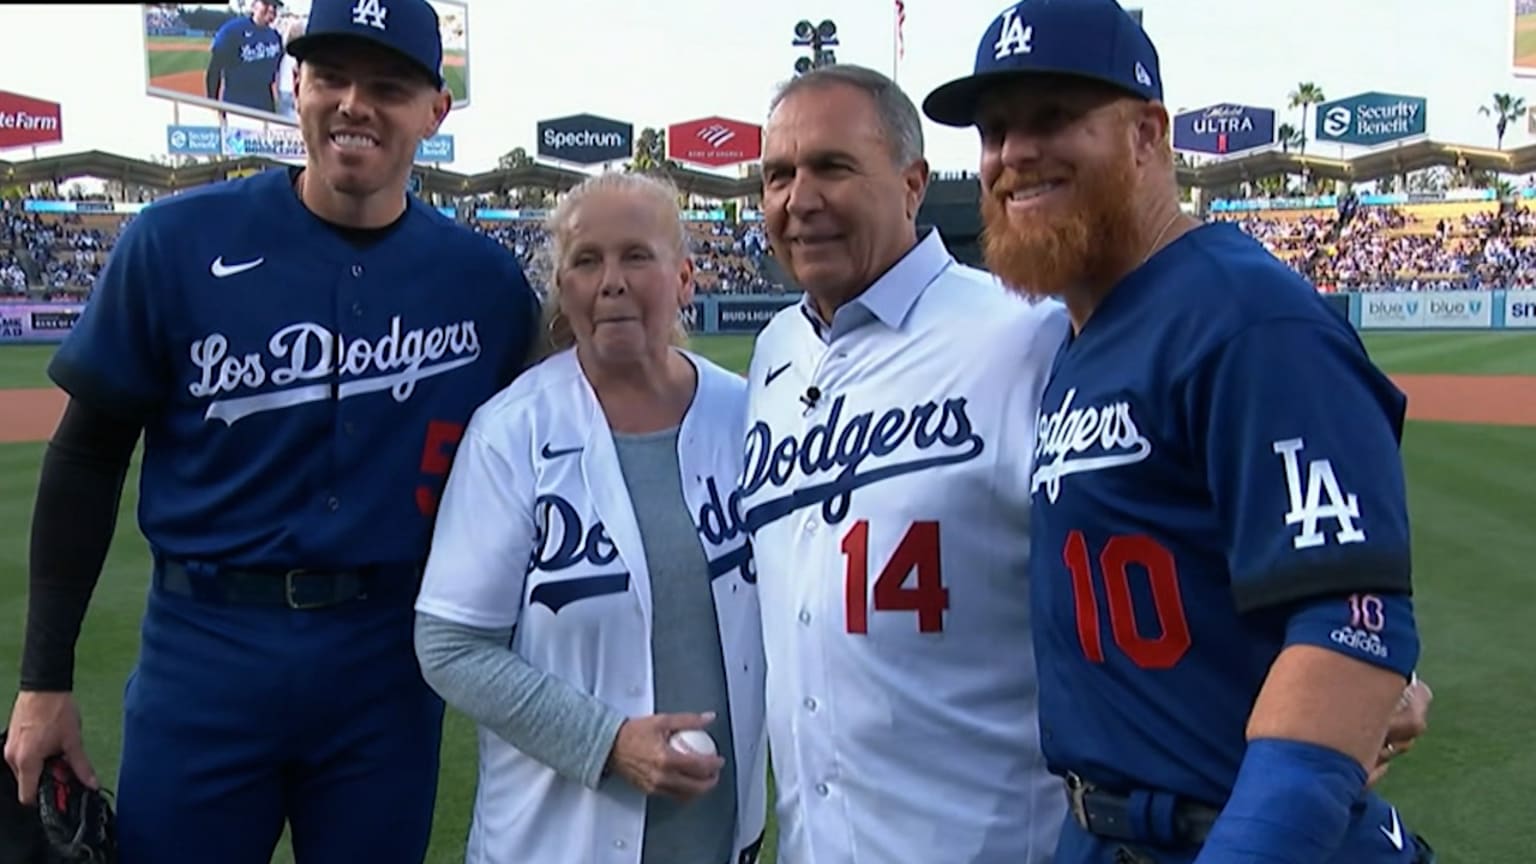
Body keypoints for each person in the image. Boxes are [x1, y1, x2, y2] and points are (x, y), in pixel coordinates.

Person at [3, 0, 540, 861]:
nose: (354, 103)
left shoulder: (485, 285)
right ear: (295, 86)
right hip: (204, 651)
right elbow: (88, 454)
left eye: (388, 84)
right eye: (330, 75)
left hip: (387, 663)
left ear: (436, 110)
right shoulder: (176, 241)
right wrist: (43, 682)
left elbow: (550, 459)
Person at [921, 1, 1437, 862]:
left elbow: (1350, 623)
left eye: (1054, 117)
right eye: (994, 130)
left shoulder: (1248, 317)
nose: (1012, 154)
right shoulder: (1083, 334)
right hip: (1103, 830)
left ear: (1146, 135)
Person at [740, 63, 1070, 864]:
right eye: (778, 176)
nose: (799, 199)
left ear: (914, 183)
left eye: (832, 167)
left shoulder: (1026, 333)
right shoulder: (775, 350)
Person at [414, 170, 767, 864]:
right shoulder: (511, 432)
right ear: (564, 288)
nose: (612, 281)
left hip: (720, 836)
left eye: (637, 255)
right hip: (556, 841)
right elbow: (450, 646)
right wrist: (608, 741)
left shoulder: (749, 414)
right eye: (586, 260)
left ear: (686, 277)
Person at [206, 0, 285, 115]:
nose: (271, 9)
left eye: (274, 6)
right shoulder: (233, 30)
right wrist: (213, 103)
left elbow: (277, 73)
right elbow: (214, 69)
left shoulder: (275, 37)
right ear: (253, 6)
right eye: (266, 4)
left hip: (265, 105)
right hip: (237, 104)